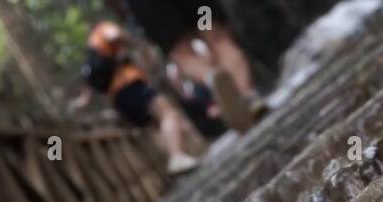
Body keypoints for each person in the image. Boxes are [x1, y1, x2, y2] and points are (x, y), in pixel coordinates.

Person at [110, 0, 262, 132]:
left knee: (182, 54)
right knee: (218, 38)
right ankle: (249, 97)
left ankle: (211, 76)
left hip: (150, 6)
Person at [77, 21, 199, 174]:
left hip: (117, 99)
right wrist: (134, 43)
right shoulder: (103, 29)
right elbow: (115, 35)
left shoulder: (92, 50)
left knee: (155, 123)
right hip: (129, 85)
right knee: (167, 111)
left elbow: (90, 87)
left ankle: (177, 158)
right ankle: (177, 156)